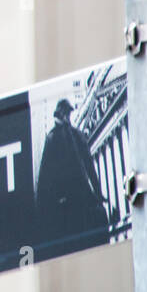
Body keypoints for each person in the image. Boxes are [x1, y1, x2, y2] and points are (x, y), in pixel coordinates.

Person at [36, 98, 110, 241]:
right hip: (71, 199)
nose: (67, 116)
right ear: (60, 113)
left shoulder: (68, 136)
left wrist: (98, 192)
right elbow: (46, 178)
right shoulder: (62, 137)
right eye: (66, 113)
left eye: (68, 113)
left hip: (74, 200)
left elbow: (89, 167)